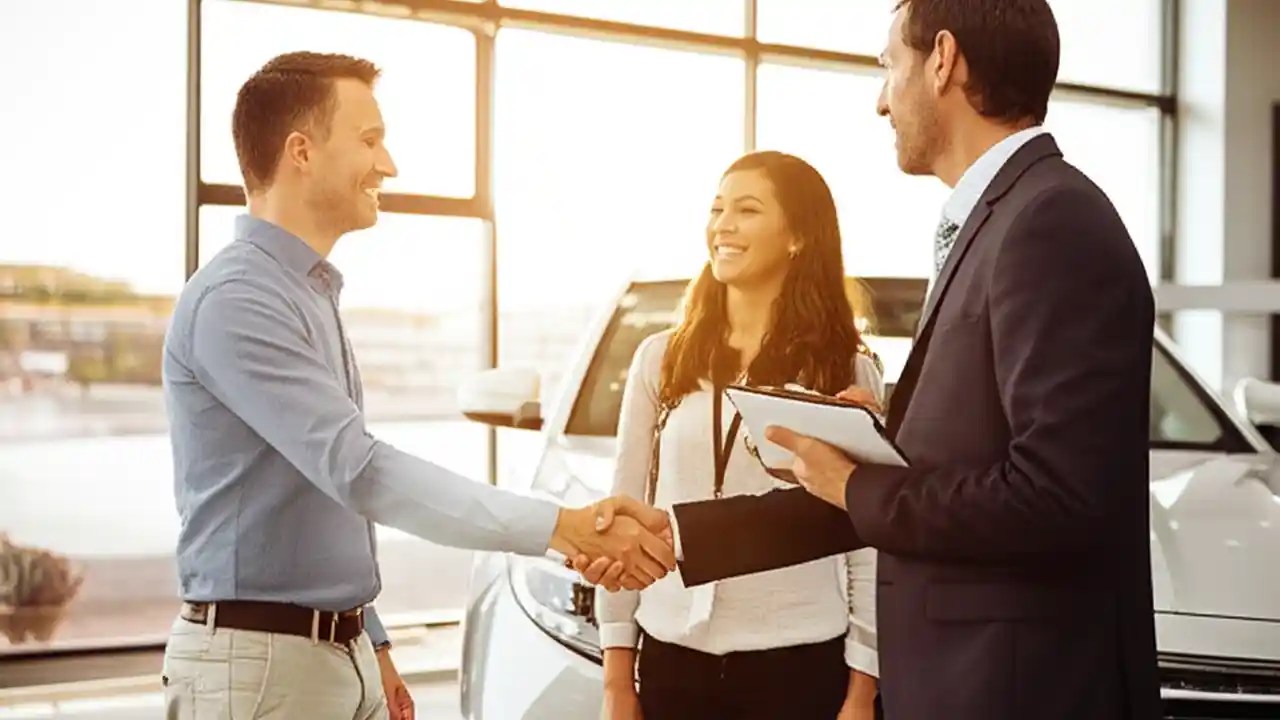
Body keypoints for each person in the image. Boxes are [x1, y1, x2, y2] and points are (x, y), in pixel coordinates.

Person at [580, 2, 1161, 718]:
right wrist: (685, 532)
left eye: (889, 65)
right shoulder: (1001, 222)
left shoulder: (1049, 223)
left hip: (1013, 689)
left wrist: (858, 484)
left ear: (943, 60)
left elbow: (1060, 497)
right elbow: (961, 477)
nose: (882, 98)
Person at [159, 51, 674, 720]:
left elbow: (323, 500)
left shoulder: (303, 292)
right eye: (369, 140)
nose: (388, 164)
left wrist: (367, 640)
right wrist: (566, 528)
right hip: (259, 671)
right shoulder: (238, 300)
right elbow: (359, 472)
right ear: (301, 151)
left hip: (326, 657)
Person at [596, 151, 884, 720]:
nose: (722, 224)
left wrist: (861, 693)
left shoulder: (845, 371)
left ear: (798, 236)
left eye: (746, 210)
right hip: (672, 660)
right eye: (717, 207)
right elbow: (625, 514)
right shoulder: (660, 359)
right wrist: (616, 683)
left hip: (799, 666)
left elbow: (866, 538)